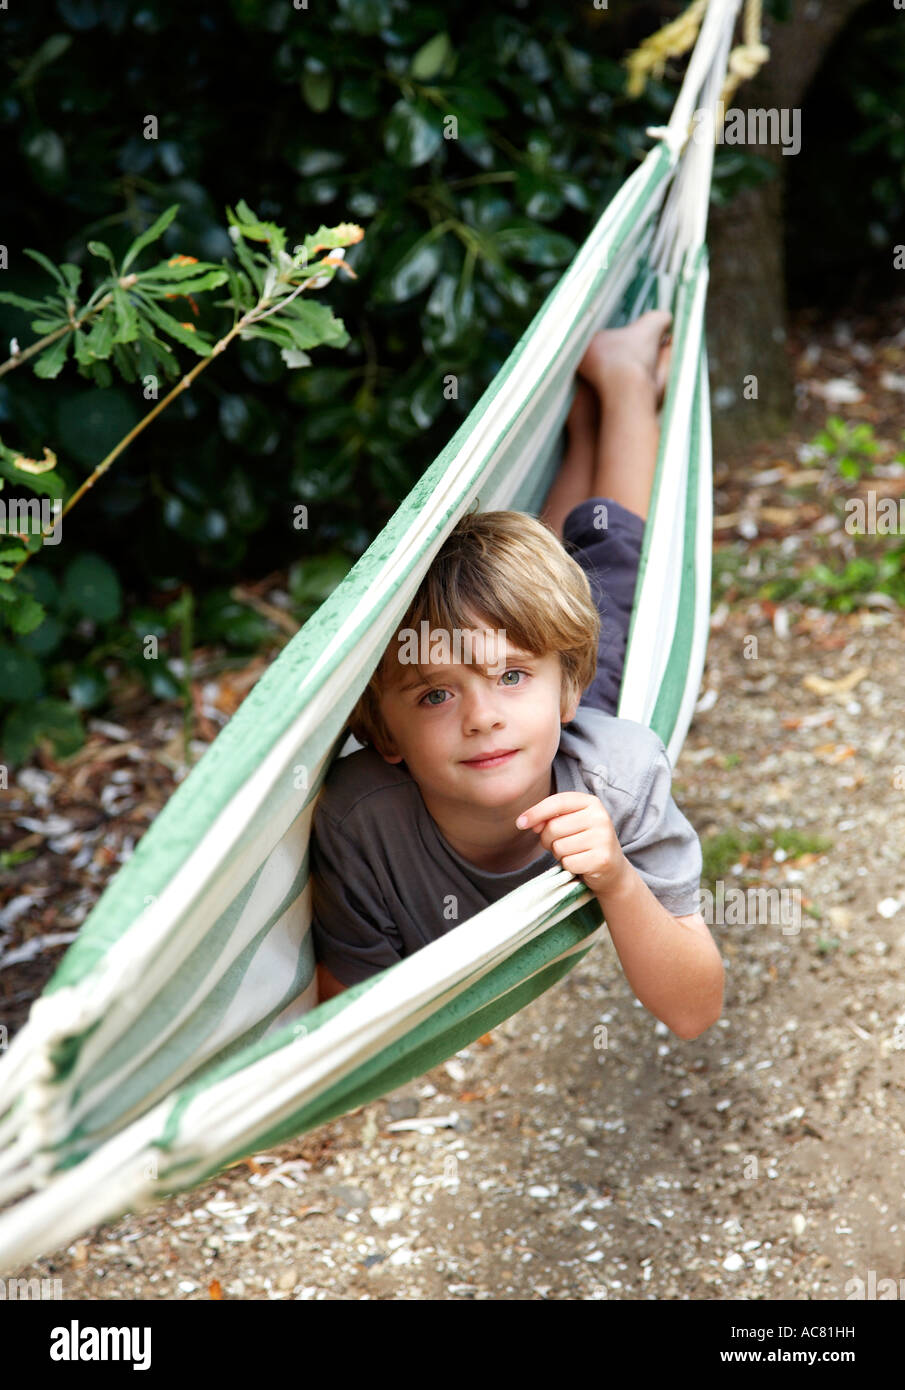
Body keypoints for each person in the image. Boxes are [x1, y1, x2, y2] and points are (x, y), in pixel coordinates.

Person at [310, 309, 723, 1040]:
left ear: (561, 685)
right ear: (384, 735)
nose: (481, 717)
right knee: (535, 593)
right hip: (539, 675)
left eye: (506, 681)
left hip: (585, 711)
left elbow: (693, 1011)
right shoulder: (356, 819)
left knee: (604, 554)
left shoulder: (619, 775)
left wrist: (617, 882)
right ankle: (587, 416)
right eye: (435, 693)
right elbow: (340, 1022)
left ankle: (622, 380)